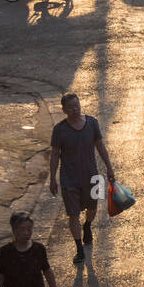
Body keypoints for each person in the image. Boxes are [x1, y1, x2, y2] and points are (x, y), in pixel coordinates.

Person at [49, 92, 116, 264]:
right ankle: (79, 248)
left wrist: (109, 167)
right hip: (69, 179)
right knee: (73, 214)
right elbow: (55, 155)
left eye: (76, 106)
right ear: (63, 110)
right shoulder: (59, 130)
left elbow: (100, 146)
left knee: (93, 208)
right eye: (70, 107)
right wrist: (52, 178)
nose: (75, 110)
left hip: (92, 176)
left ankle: (87, 225)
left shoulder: (92, 123)